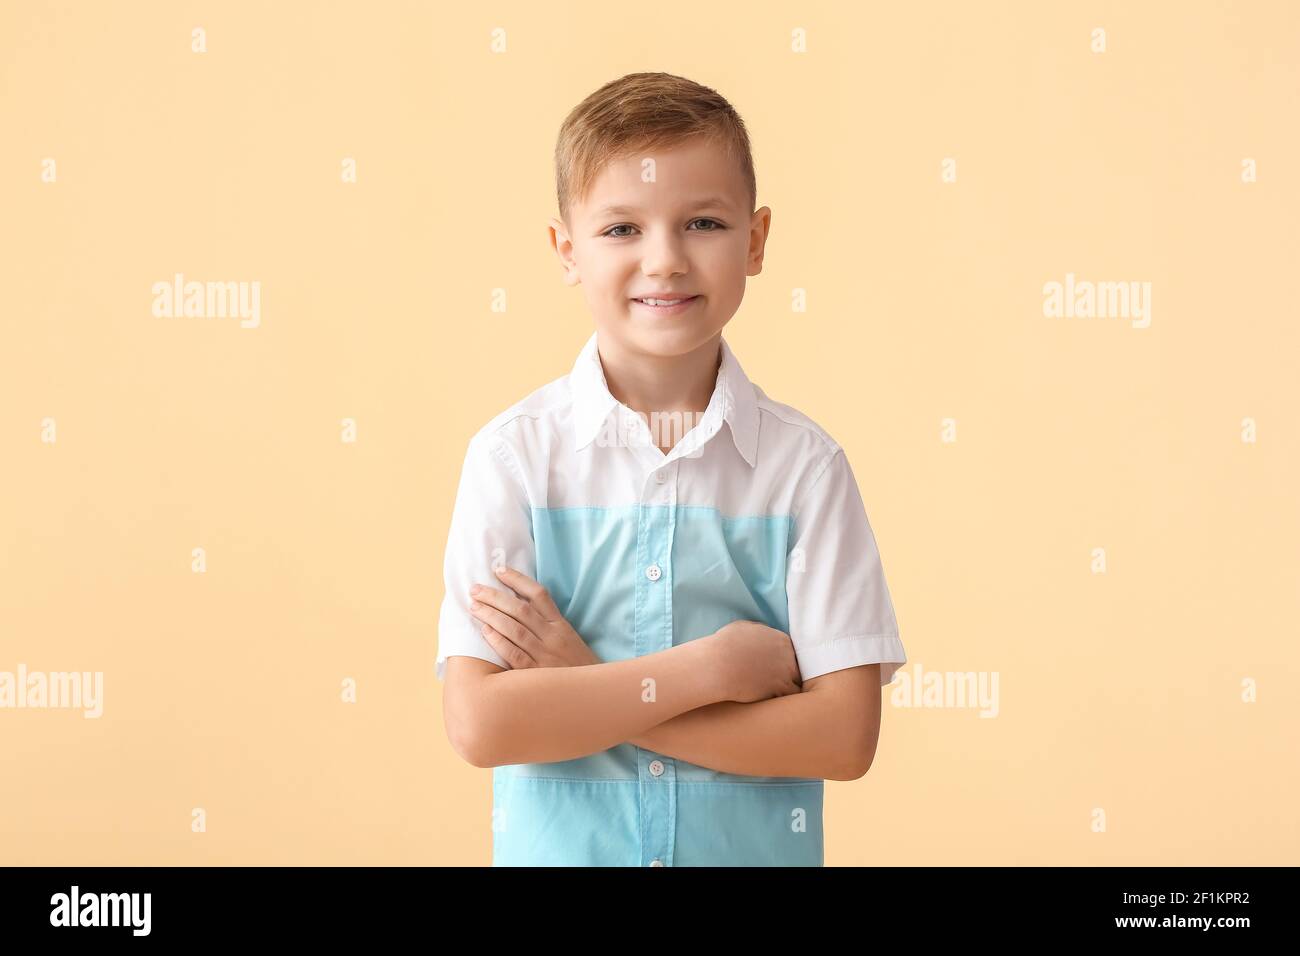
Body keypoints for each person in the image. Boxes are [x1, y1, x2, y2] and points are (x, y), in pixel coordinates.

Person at [437, 72, 906, 866]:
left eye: (703, 222)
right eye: (621, 229)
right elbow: (484, 725)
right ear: (566, 251)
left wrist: (584, 682)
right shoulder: (514, 460)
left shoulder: (805, 472)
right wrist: (708, 669)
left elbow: (842, 738)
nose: (664, 260)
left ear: (755, 242)